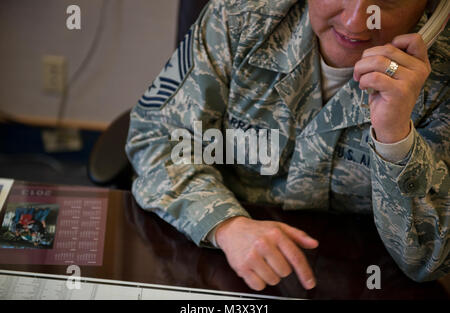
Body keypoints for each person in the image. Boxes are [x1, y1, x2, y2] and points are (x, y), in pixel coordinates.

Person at [126, 0, 449, 291]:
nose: (355, 22)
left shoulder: (443, 76)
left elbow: (430, 259)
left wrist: (396, 137)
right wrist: (226, 225)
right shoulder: (239, 18)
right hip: (226, 261)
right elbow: (158, 137)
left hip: (369, 280)